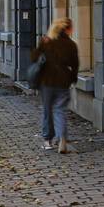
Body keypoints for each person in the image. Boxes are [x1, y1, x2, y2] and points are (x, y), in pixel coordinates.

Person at [32, 17, 79, 154]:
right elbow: (75, 65)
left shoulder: (47, 42)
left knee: (47, 110)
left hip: (47, 82)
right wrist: (72, 79)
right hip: (63, 82)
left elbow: (34, 58)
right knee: (60, 110)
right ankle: (62, 137)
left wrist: (41, 45)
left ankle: (47, 141)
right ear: (68, 29)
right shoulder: (71, 45)